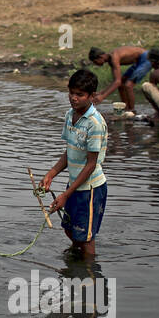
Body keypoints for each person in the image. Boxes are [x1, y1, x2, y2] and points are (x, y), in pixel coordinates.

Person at [40, 69, 108, 260]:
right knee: (69, 230)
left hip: (90, 189)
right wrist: (51, 173)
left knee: (85, 238)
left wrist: (65, 195)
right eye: (71, 93)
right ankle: (76, 268)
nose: (73, 98)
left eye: (79, 95)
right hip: (75, 186)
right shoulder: (71, 115)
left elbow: (91, 164)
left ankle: (88, 273)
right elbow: (70, 151)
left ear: (91, 96)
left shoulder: (94, 123)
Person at [88, 44, 150, 117]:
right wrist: (101, 93)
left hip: (146, 58)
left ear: (101, 57)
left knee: (128, 85)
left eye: (95, 61)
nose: (96, 64)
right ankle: (125, 108)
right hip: (138, 61)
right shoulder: (111, 61)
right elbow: (117, 81)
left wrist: (103, 97)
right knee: (121, 84)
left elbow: (117, 82)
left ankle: (132, 111)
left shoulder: (114, 58)